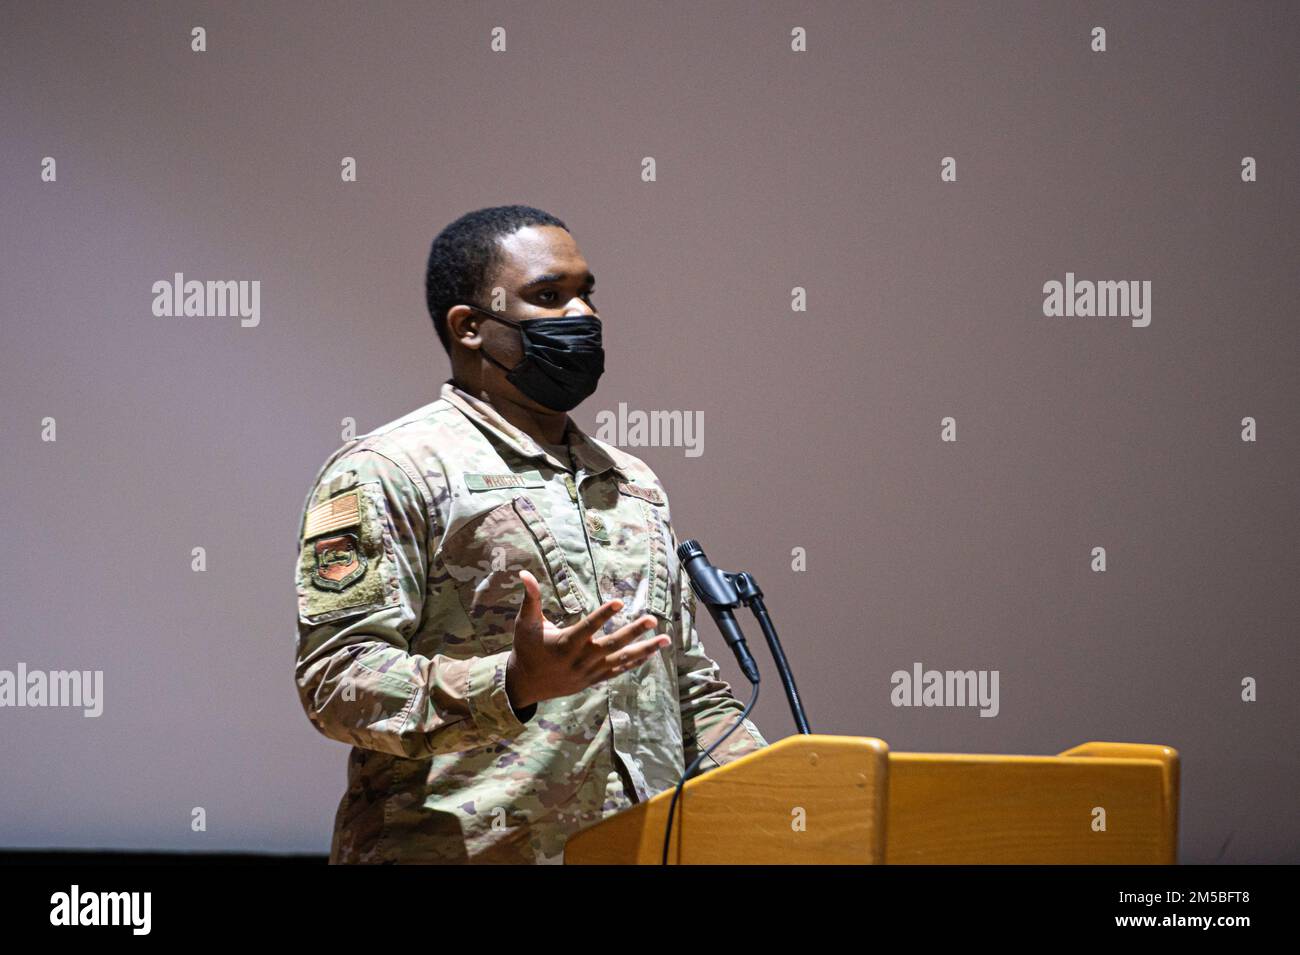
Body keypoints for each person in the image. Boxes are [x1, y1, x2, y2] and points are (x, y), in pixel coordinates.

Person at [293, 204, 768, 864]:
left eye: (586, 293)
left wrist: (790, 798)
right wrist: (512, 681)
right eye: (549, 296)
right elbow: (336, 681)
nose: (583, 316)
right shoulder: (387, 470)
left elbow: (683, 683)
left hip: (635, 850)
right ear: (471, 327)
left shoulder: (630, 482)